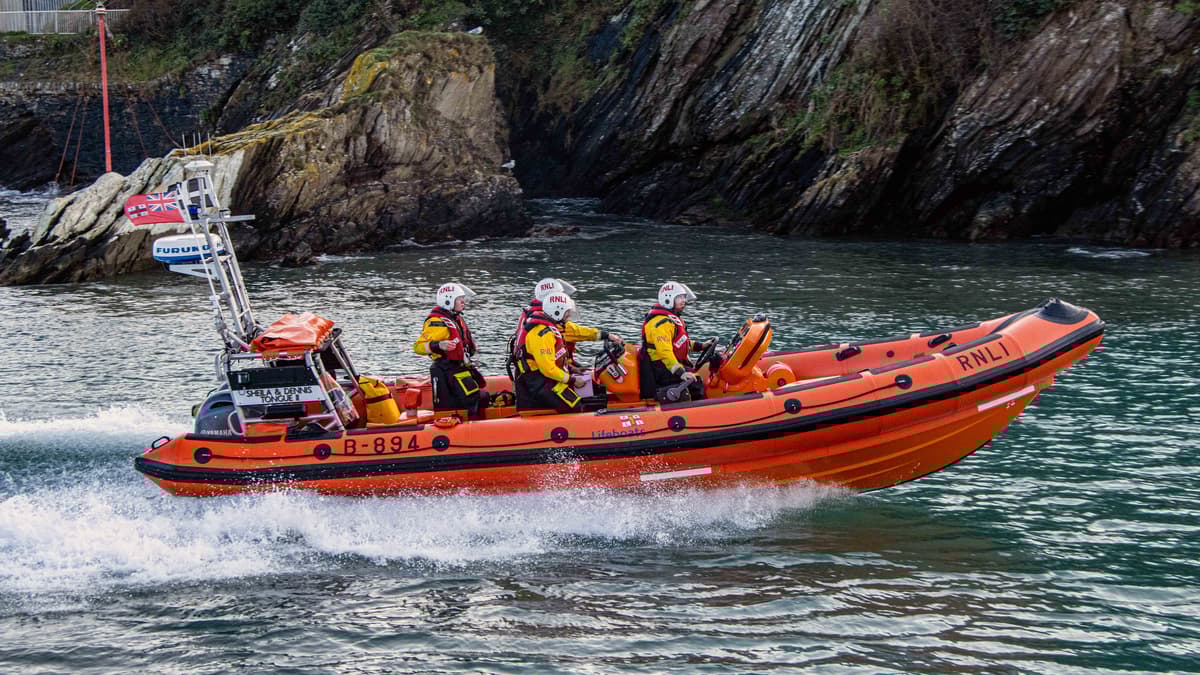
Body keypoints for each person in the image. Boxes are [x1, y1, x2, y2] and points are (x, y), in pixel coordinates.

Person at [507, 277, 624, 380]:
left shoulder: (533, 313)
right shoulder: (548, 323)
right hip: (538, 374)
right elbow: (577, 332)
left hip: (527, 369)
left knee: (581, 371)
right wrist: (607, 335)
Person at [412, 282, 488, 418]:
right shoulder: (437, 322)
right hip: (448, 371)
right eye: (460, 299)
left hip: (460, 370)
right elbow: (418, 347)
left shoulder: (455, 318)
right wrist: (439, 345)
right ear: (448, 300)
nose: (463, 302)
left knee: (479, 397)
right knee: (471, 400)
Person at [513, 292, 594, 413]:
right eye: (567, 311)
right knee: (575, 407)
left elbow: (554, 357)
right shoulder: (542, 334)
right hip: (539, 381)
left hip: (543, 378)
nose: (569, 315)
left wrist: (572, 369)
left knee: (578, 403)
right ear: (557, 311)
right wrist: (572, 380)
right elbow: (548, 368)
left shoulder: (550, 328)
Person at [638, 281, 711, 402]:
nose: (684, 301)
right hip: (661, 368)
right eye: (679, 297)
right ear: (668, 299)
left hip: (667, 365)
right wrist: (681, 373)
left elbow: (679, 343)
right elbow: (664, 352)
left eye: (683, 297)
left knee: (696, 376)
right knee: (696, 384)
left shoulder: (671, 320)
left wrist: (701, 346)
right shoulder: (662, 324)